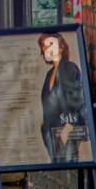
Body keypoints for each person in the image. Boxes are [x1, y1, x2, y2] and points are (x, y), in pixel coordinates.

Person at [38, 32, 89, 164]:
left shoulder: (69, 68)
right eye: (43, 47)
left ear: (61, 47)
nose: (46, 49)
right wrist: (44, 126)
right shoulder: (49, 74)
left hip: (66, 132)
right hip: (51, 135)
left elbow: (79, 101)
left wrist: (69, 126)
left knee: (69, 166)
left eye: (50, 44)